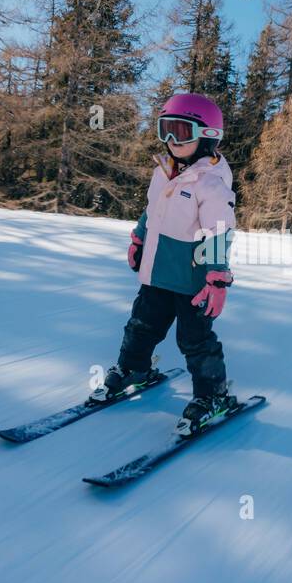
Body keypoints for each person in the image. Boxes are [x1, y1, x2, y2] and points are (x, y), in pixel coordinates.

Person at [96, 93, 238, 435]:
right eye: (166, 130)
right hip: (157, 273)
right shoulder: (164, 171)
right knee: (141, 324)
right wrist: (138, 238)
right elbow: (151, 211)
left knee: (194, 340)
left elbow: (218, 232)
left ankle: (211, 394)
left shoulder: (212, 184)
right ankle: (133, 368)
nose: (172, 141)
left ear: (207, 136)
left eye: (182, 132)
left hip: (192, 282)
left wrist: (216, 278)